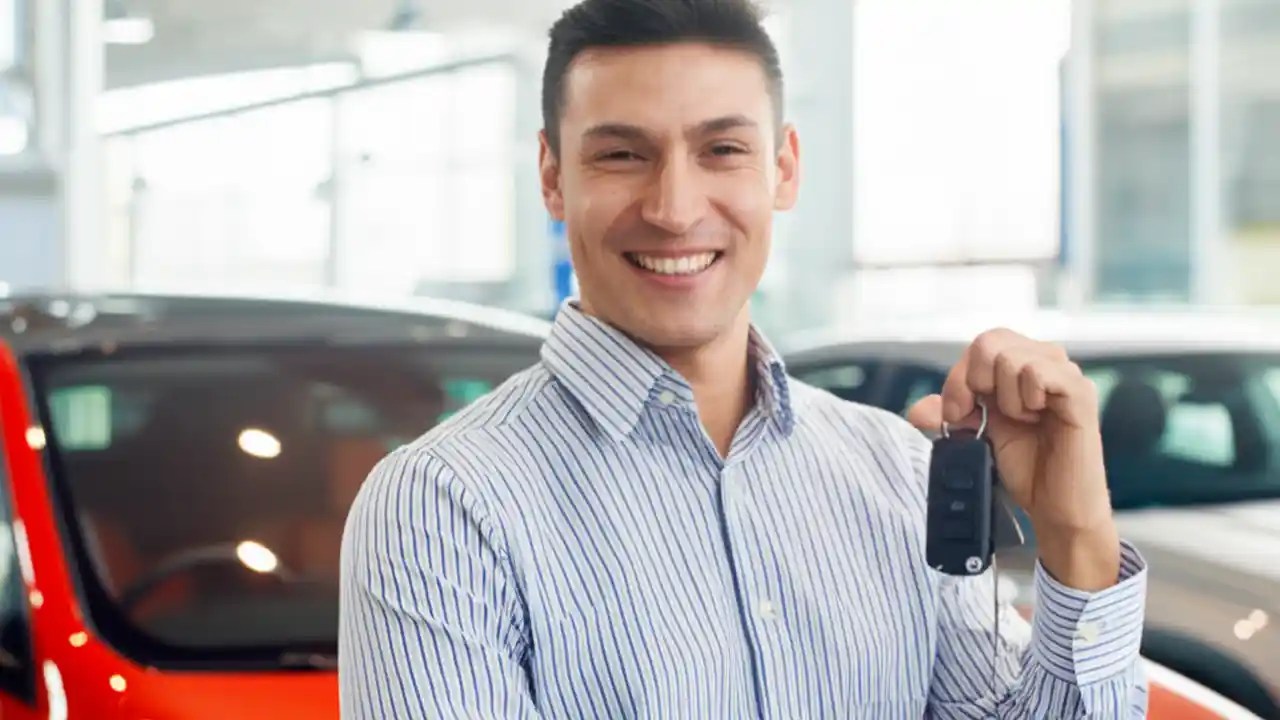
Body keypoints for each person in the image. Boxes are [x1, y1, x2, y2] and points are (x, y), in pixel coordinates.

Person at [338, 0, 1149, 717]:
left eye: (721, 149)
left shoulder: (900, 472)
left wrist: (1076, 535)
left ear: (783, 168)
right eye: (622, 155)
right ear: (553, 178)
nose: (675, 208)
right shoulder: (442, 509)